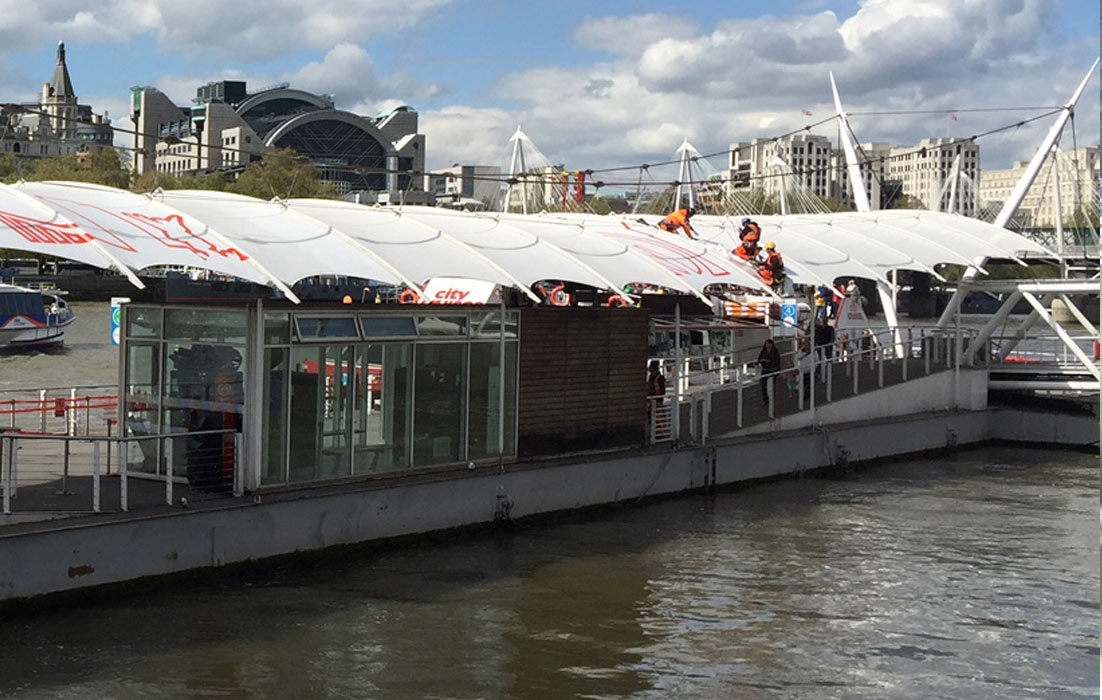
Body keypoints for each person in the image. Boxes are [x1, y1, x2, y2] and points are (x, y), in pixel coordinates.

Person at [757, 338, 781, 406]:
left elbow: (777, 360)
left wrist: (770, 362)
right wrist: (762, 361)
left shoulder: (775, 351)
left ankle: (774, 399)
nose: (767, 345)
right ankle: (766, 400)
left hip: (773, 369)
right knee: (763, 385)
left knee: (773, 384)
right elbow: (759, 359)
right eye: (766, 344)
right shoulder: (763, 351)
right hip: (765, 369)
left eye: (768, 344)